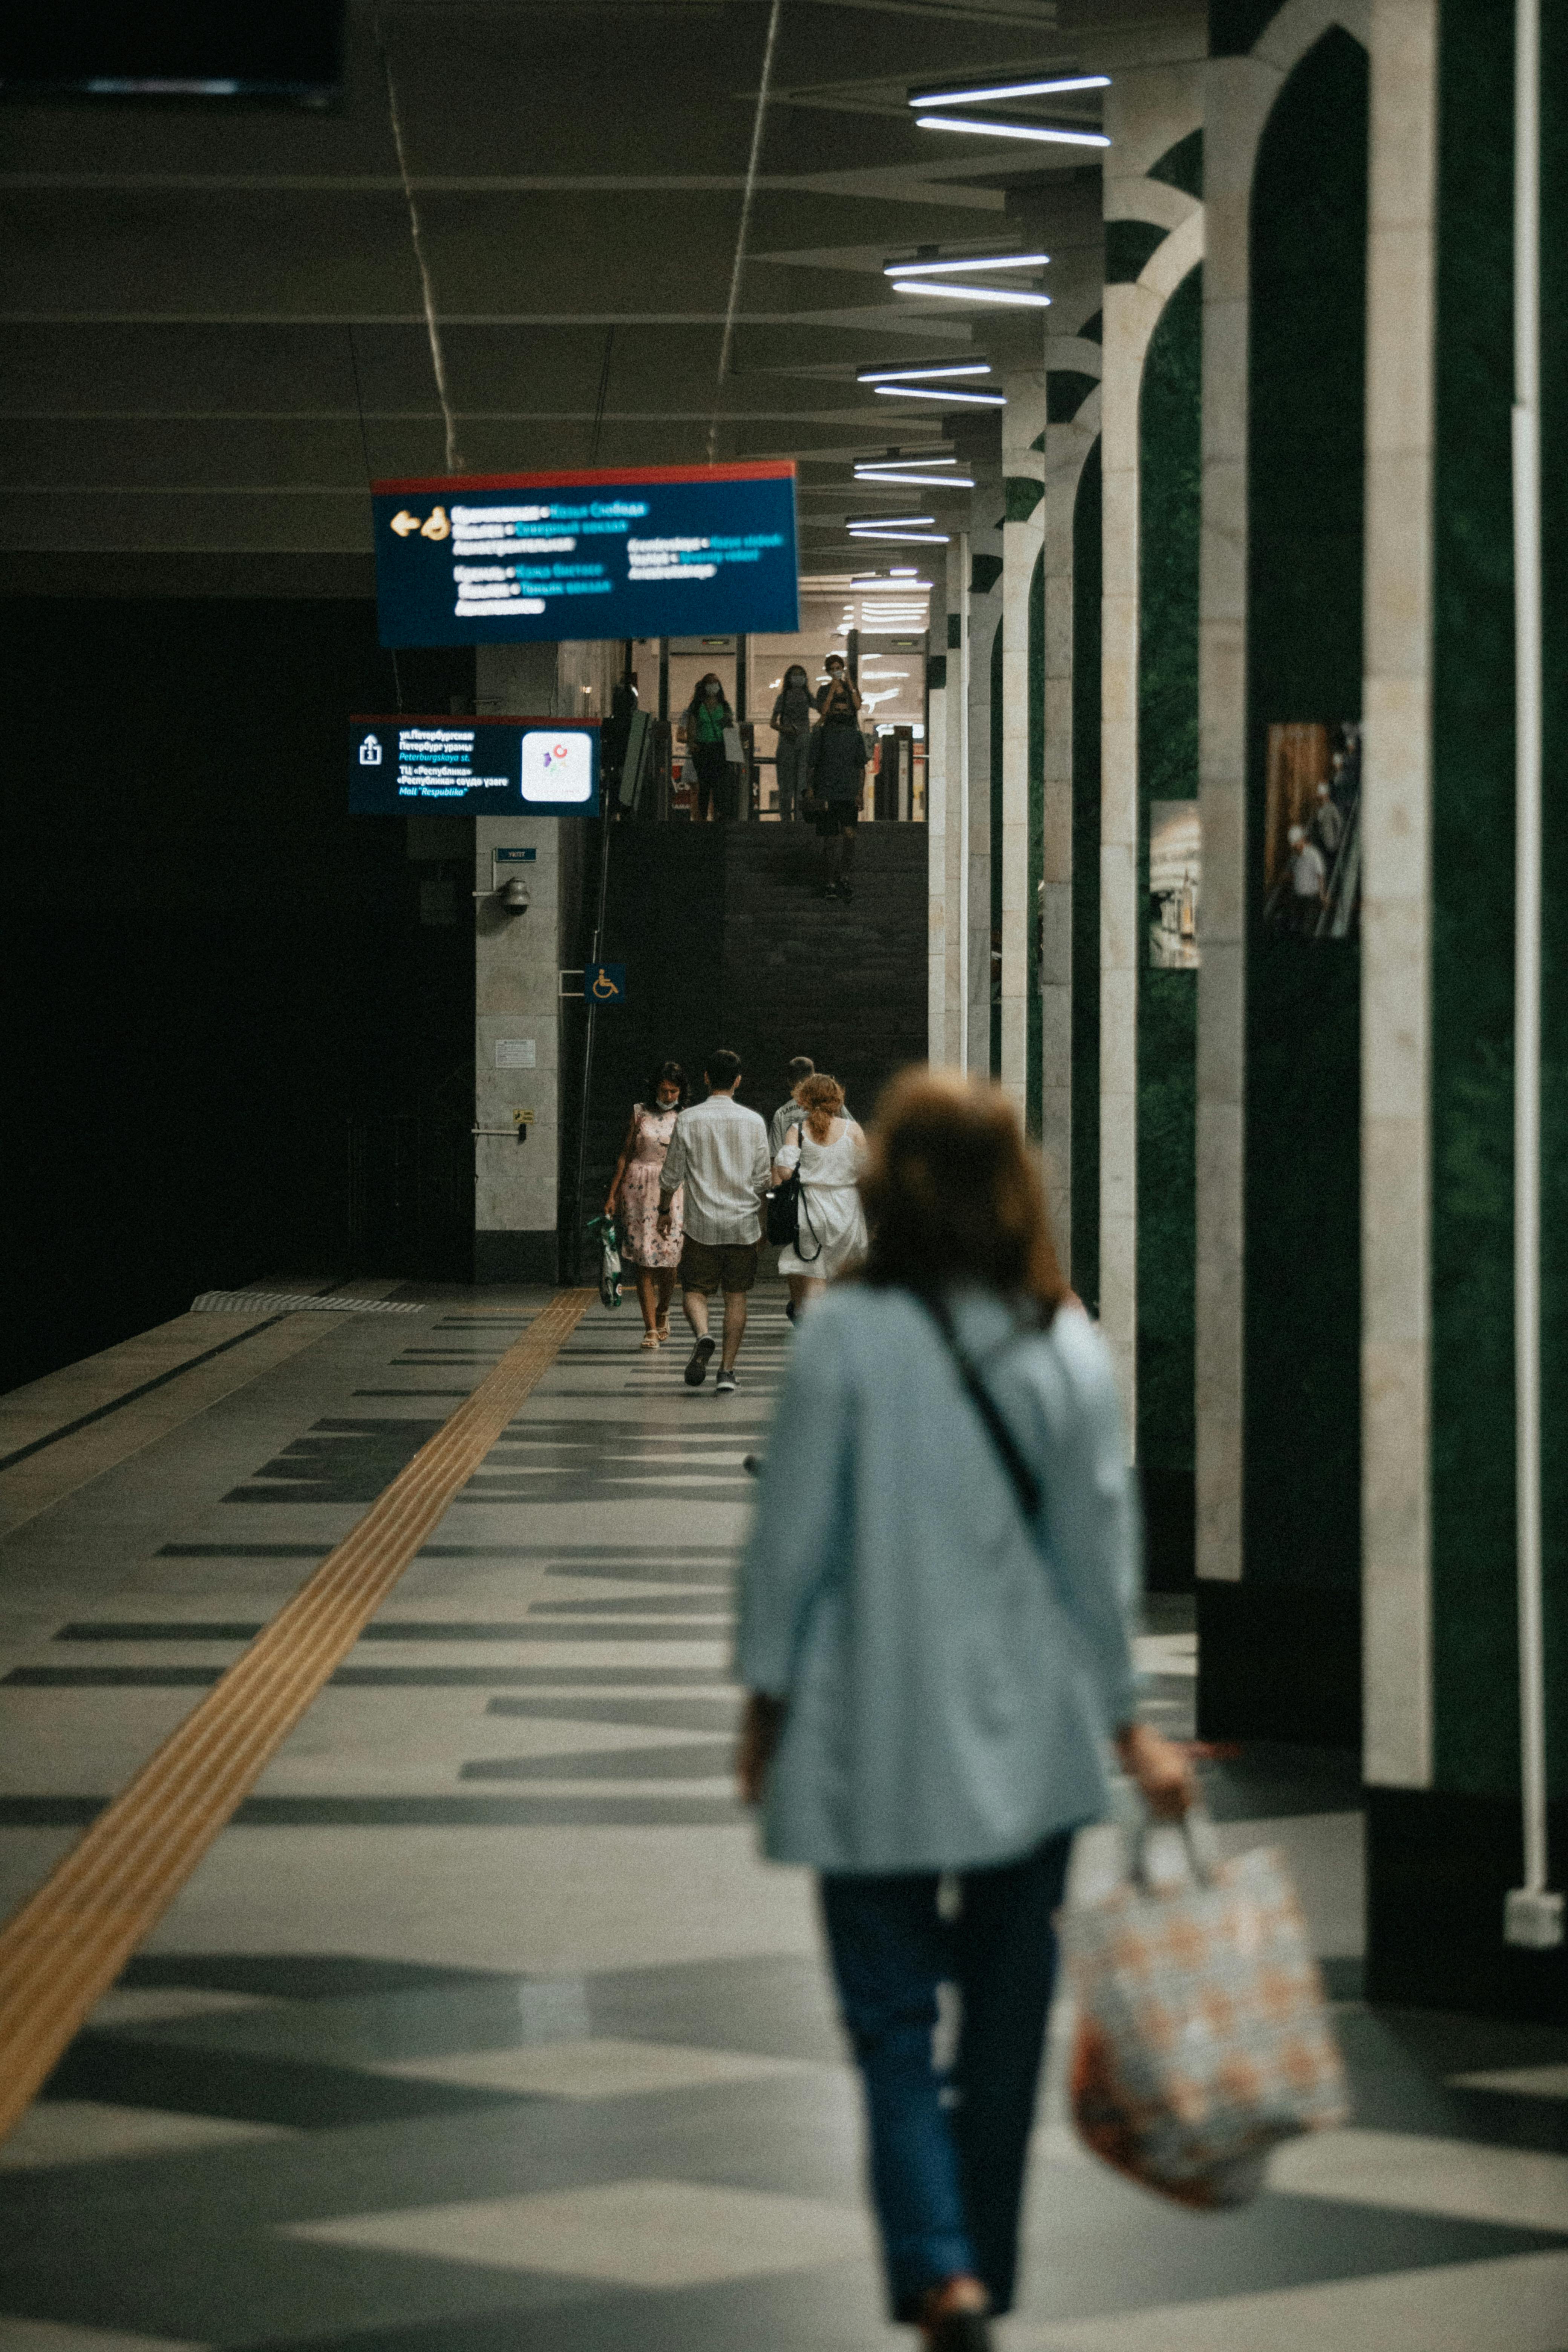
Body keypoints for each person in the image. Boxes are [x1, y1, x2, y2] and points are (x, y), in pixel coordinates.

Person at [736, 1069, 1195, 2351]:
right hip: (1027, 1736)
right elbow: (1098, 1561)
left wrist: (763, 1701)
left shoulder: (841, 1335)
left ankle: (936, 2267)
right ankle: (980, 2265)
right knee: (1001, 2025)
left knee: (889, 2025)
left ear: (887, 1183)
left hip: (864, 1730)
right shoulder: (1065, 1343)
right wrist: (1127, 1722)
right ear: (1016, 1186)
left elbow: (791, 1543)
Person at [658, 1048, 770, 1396]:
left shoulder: (688, 1119)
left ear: (706, 1078)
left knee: (694, 1291)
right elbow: (764, 1180)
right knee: (736, 1296)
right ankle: (726, 1371)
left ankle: (703, 1335)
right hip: (742, 1224)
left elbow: (671, 1175)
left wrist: (664, 1210)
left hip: (702, 1226)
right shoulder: (754, 1122)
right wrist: (762, 1223)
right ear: (738, 1081)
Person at [604, 1061, 687, 1347]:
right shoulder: (639, 1113)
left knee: (669, 1259)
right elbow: (626, 1154)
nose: (668, 1097)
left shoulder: (685, 1117)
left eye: (673, 1092)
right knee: (644, 1259)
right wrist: (613, 1194)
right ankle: (650, 1327)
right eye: (663, 1091)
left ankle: (664, 1308)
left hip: (672, 1191)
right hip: (638, 1190)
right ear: (655, 1089)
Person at [772, 1072, 867, 1317]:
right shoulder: (853, 1130)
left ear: (804, 1099)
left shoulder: (798, 1130)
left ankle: (818, 1338)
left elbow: (784, 1172)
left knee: (815, 1279)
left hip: (811, 1211)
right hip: (846, 1209)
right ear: (837, 1099)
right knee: (846, 1280)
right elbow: (868, 1171)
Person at [807, 689, 867, 902]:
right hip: (827, 793)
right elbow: (812, 765)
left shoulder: (856, 736)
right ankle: (829, 881)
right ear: (831, 711)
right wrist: (812, 790)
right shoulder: (821, 735)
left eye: (845, 710)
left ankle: (844, 876)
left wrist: (860, 793)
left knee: (850, 837)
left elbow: (861, 767)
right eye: (837, 710)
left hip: (848, 794)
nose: (841, 713)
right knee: (831, 840)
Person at [678, 672, 735, 823]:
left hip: (719, 748)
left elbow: (729, 727)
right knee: (704, 784)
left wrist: (733, 749)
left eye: (716, 683)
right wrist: (692, 743)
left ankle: (718, 816)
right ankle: (701, 818)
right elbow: (691, 726)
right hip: (702, 749)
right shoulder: (697, 706)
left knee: (719, 786)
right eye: (710, 683)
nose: (713, 686)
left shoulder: (724, 705)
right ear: (704, 686)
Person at [770, 663, 814, 821]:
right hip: (787, 742)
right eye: (795, 675)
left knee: (802, 783)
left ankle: (801, 818)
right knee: (786, 784)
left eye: (801, 675)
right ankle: (786, 818)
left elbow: (822, 708)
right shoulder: (783, 697)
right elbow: (773, 722)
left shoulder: (808, 696)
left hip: (803, 741)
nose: (798, 678)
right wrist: (786, 729)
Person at [769, 1055, 817, 1162]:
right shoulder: (829, 1106)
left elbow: (775, 1157)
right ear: (813, 1078)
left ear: (789, 1081)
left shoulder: (781, 1114)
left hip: (792, 1175)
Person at [1288, 822, 1328, 934]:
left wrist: (1323, 895)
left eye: (1297, 845)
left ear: (1302, 840)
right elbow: (1294, 874)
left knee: (1307, 930)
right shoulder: (1295, 857)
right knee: (1296, 929)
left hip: (1312, 900)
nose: (1296, 848)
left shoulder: (1314, 854)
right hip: (1298, 899)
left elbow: (1320, 875)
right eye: (1294, 846)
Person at [816, 651, 862, 716]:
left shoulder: (849, 687)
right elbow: (824, 711)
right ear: (828, 672)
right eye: (832, 669)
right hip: (832, 724)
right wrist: (832, 690)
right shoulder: (824, 689)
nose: (835, 672)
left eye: (838, 668)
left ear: (842, 669)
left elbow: (858, 706)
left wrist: (851, 686)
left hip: (849, 724)